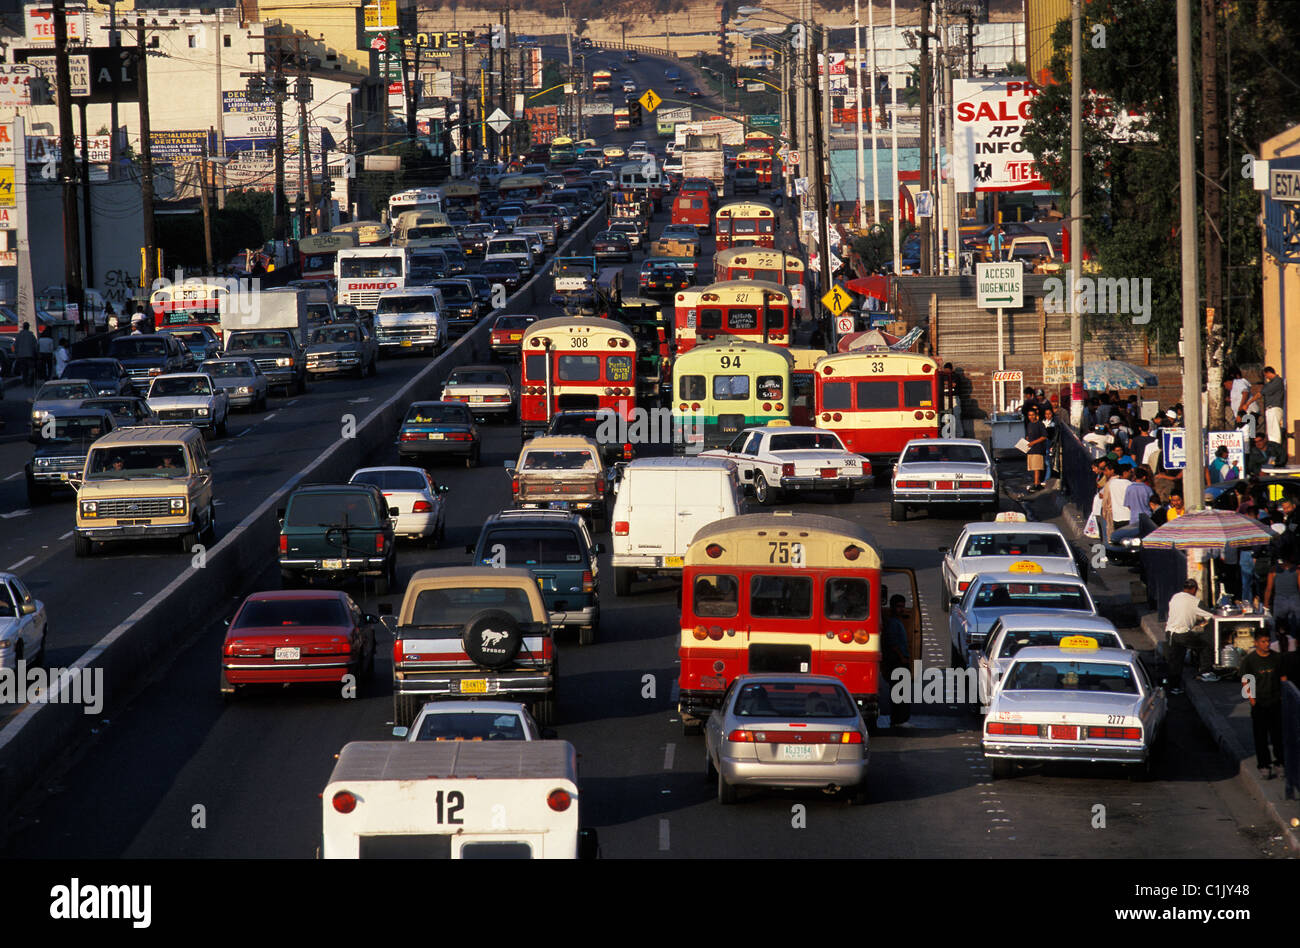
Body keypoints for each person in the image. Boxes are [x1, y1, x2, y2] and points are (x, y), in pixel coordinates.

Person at [1238, 630, 1287, 779]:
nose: (1266, 645)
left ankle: (1280, 763)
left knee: (1278, 736)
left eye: (1268, 641)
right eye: (1263, 642)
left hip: (1275, 702)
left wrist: (1283, 697)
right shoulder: (1250, 660)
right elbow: (1246, 680)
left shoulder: (1277, 658)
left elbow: (1283, 678)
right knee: (1261, 737)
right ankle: (1264, 765)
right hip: (1259, 704)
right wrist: (1252, 700)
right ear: (1256, 643)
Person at [1165, 579, 1217, 693]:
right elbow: (1211, 615)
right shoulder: (1195, 601)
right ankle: (1205, 672)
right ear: (1194, 589)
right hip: (1182, 634)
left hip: (1169, 633)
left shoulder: (1175, 597)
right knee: (1205, 645)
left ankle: (1174, 687)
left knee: (1175, 660)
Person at [879, 594, 911, 727]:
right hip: (897, 662)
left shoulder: (897, 621)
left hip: (899, 661)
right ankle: (899, 720)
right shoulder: (893, 623)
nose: (901, 609)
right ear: (892, 607)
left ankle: (899, 719)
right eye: (898, 606)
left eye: (903, 606)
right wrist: (902, 657)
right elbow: (893, 643)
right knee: (900, 692)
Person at [1264, 555, 1300, 654]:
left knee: (1277, 627)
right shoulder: (1296, 570)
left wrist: (1266, 605)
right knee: (1294, 628)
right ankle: (1293, 650)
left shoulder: (1274, 570)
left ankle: (1278, 649)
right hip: (1295, 601)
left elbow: (1269, 589)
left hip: (1279, 601)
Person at [1246, 366, 1286, 452]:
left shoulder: (1277, 382)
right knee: (1271, 432)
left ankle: (1276, 452)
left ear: (1269, 372)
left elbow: (1260, 393)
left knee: (1274, 432)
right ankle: (1273, 452)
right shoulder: (1270, 383)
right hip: (1270, 409)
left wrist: (1248, 403)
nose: (1266, 377)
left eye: (1266, 375)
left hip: (1274, 408)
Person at [1023, 406, 1048, 491]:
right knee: (1033, 467)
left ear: (1036, 415)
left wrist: (1033, 442)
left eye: (1032, 415)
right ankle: (1036, 482)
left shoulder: (1040, 424)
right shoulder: (1029, 424)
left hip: (1038, 449)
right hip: (1030, 449)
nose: (1031, 417)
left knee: (1037, 467)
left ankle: (1037, 483)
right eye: (1029, 415)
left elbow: (1044, 437)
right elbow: (1027, 436)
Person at [14, 321, 36, 386]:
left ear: (23, 327)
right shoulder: (31, 335)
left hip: (21, 356)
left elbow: (15, 345)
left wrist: (16, 354)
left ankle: (25, 382)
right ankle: (30, 381)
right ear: (28, 327)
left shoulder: (19, 335)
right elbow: (35, 345)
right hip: (30, 356)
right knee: (31, 369)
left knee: (24, 370)